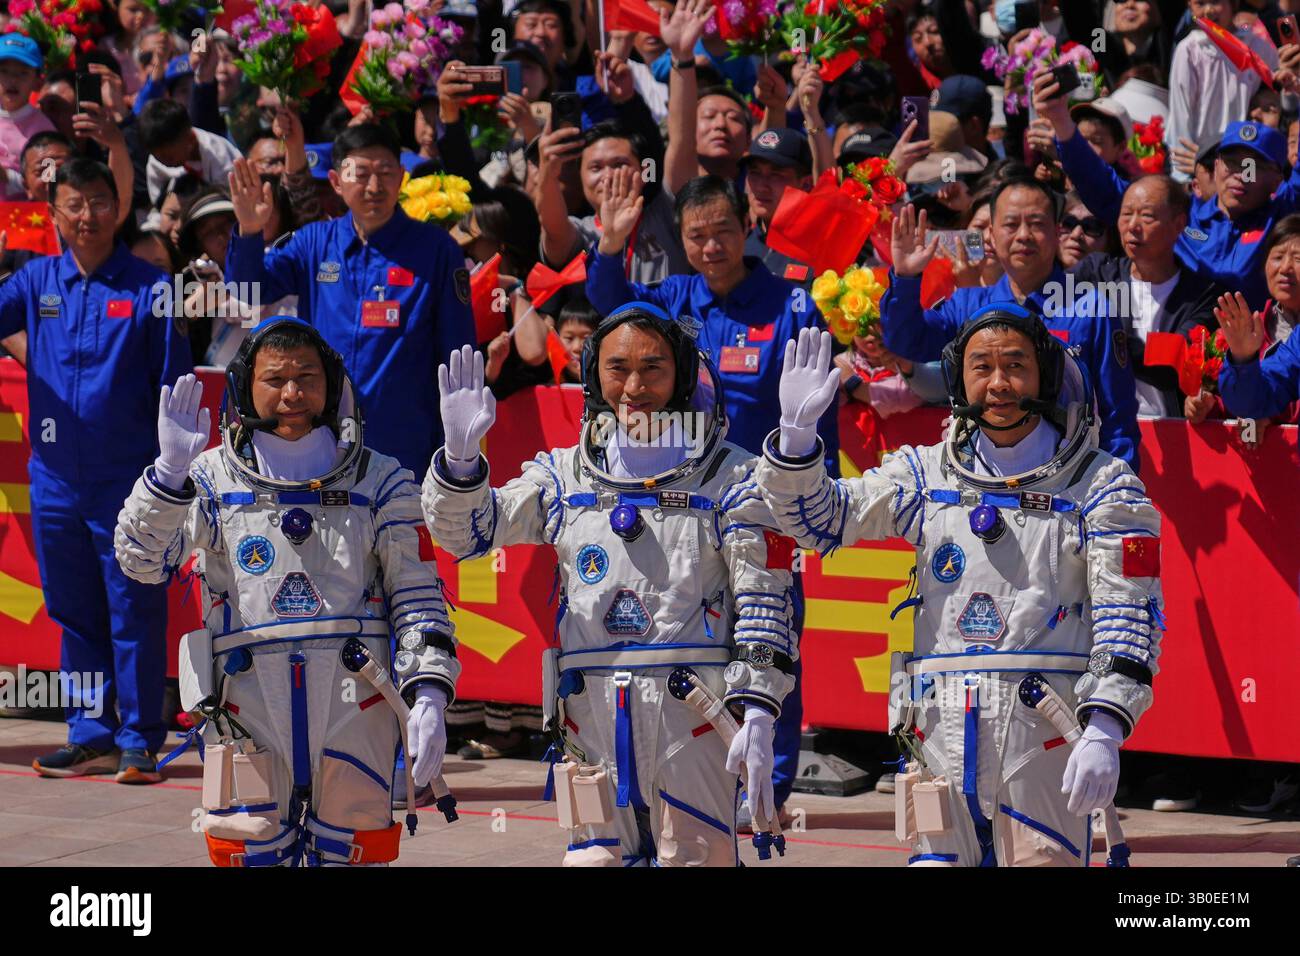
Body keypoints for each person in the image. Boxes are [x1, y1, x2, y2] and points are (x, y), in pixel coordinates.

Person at [758, 314, 1165, 867]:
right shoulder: (926, 477)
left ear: (1045, 375)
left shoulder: (1100, 485)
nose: (998, 384)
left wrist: (1105, 729)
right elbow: (819, 520)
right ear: (958, 378)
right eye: (982, 367)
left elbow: (1129, 616)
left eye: (1015, 366)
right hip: (939, 735)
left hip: (1043, 734)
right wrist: (798, 439)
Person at [422, 306, 799, 866]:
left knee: (696, 858)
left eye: (654, 368)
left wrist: (761, 709)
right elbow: (465, 534)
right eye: (617, 367)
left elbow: (764, 600)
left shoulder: (731, 477)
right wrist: (459, 459)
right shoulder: (564, 477)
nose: (635, 386)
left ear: (684, 376)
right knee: (593, 859)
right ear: (594, 374)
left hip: (693, 716)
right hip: (590, 717)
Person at [115, 317, 460, 866]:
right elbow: (142, 561)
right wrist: (167, 478)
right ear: (245, 387)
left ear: (333, 385)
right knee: (247, 851)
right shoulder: (209, 480)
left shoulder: (380, 480)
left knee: (356, 853)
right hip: (244, 709)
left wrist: (430, 693)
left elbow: (417, 594)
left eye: (307, 376)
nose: (293, 393)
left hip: (356, 707)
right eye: (275, 379)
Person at [0, 158, 192, 782]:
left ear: (119, 207)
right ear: (52, 211)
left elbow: (176, 385)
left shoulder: (151, 287)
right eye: (74, 204)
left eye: (99, 203)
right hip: (54, 478)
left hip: (127, 481)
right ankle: (90, 734)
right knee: (71, 609)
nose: (87, 217)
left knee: (133, 607)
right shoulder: (33, 282)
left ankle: (138, 737)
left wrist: (170, 474)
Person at [226, 123, 476, 478]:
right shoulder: (314, 242)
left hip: (404, 438)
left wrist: (455, 445)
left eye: (385, 173)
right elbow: (250, 286)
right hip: (319, 435)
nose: (374, 187)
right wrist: (250, 230)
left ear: (402, 177)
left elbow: (458, 350)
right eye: (360, 173)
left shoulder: (436, 250)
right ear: (336, 181)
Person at [881, 178, 1143, 471]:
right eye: (1010, 224)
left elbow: (1117, 416)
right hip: (984, 477)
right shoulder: (969, 305)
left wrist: (1119, 491)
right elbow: (905, 342)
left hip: (1069, 483)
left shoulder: (1092, 308)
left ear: (1057, 231)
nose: (1023, 236)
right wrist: (905, 277)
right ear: (991, 234)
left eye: (1036, 223)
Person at [1072, 175, 1223, 419]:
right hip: (1101, 432)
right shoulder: (1095, 273)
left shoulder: (1202, 295)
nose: (1132, 225)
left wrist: (1108, 334)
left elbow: (1172, 363)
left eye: (1147, 216)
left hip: (1171, 431)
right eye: (1126, 214)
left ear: (1179, 224)